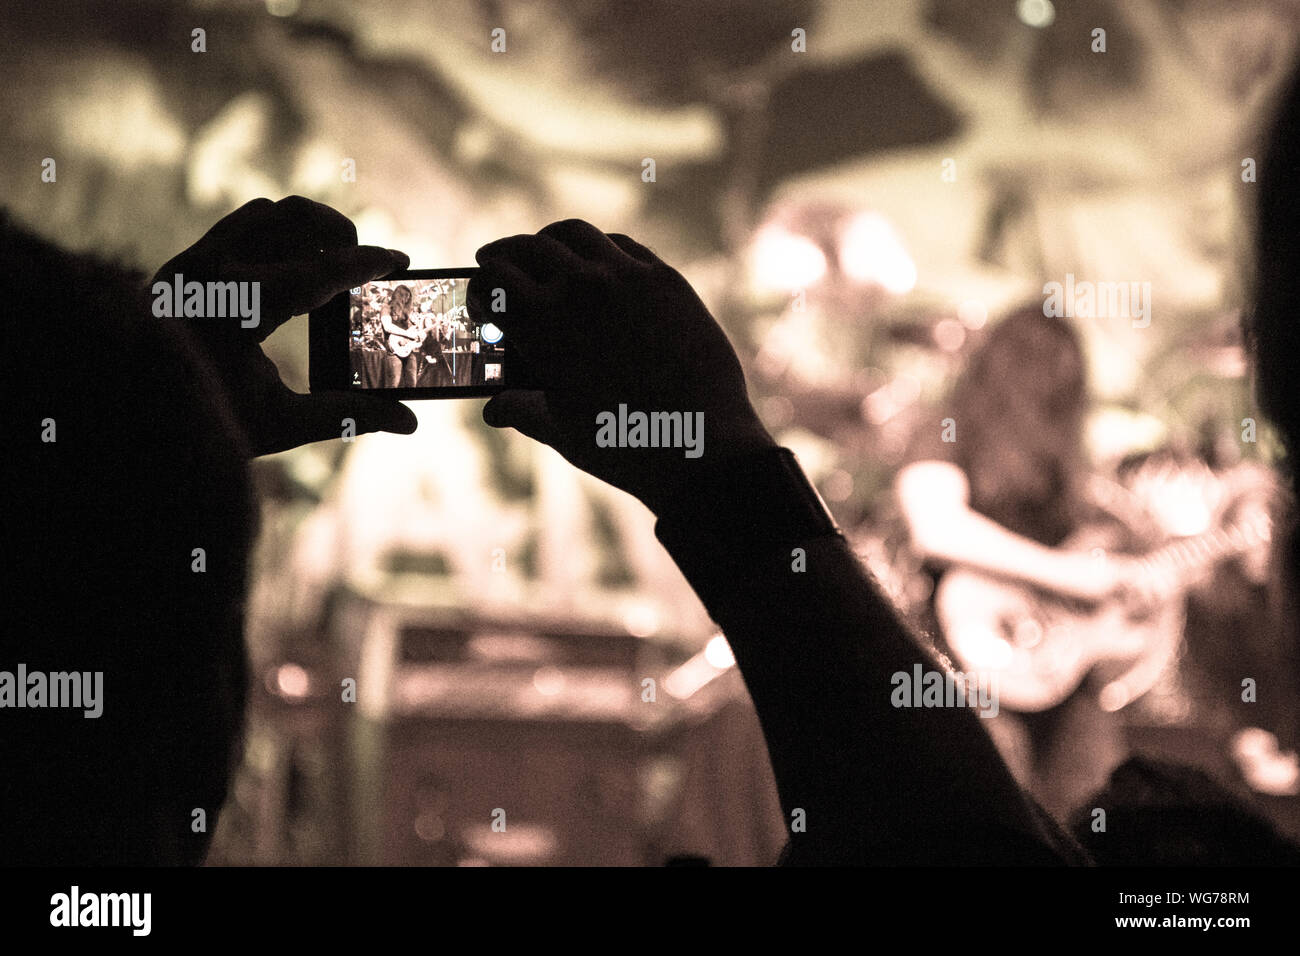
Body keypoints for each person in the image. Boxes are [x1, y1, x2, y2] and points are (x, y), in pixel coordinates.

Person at [892, 308, 1148, 819]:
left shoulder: (1070, 465)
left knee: (1096, 814)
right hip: (958, 669)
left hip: (1060, 680)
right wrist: (1073, 573)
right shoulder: (948, 430)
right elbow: (935, 526)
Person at [379, 283, 422, 387]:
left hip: (408, 350)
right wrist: (408, 334)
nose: (406, 300)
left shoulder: (407, 313)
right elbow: (387, 326)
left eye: (408, 298)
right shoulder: (386, 307)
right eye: (404, 296)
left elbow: (414, 332)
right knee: (393, 384)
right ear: (398, 295)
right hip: (393, 351)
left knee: (412, 383)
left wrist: (418, 335)